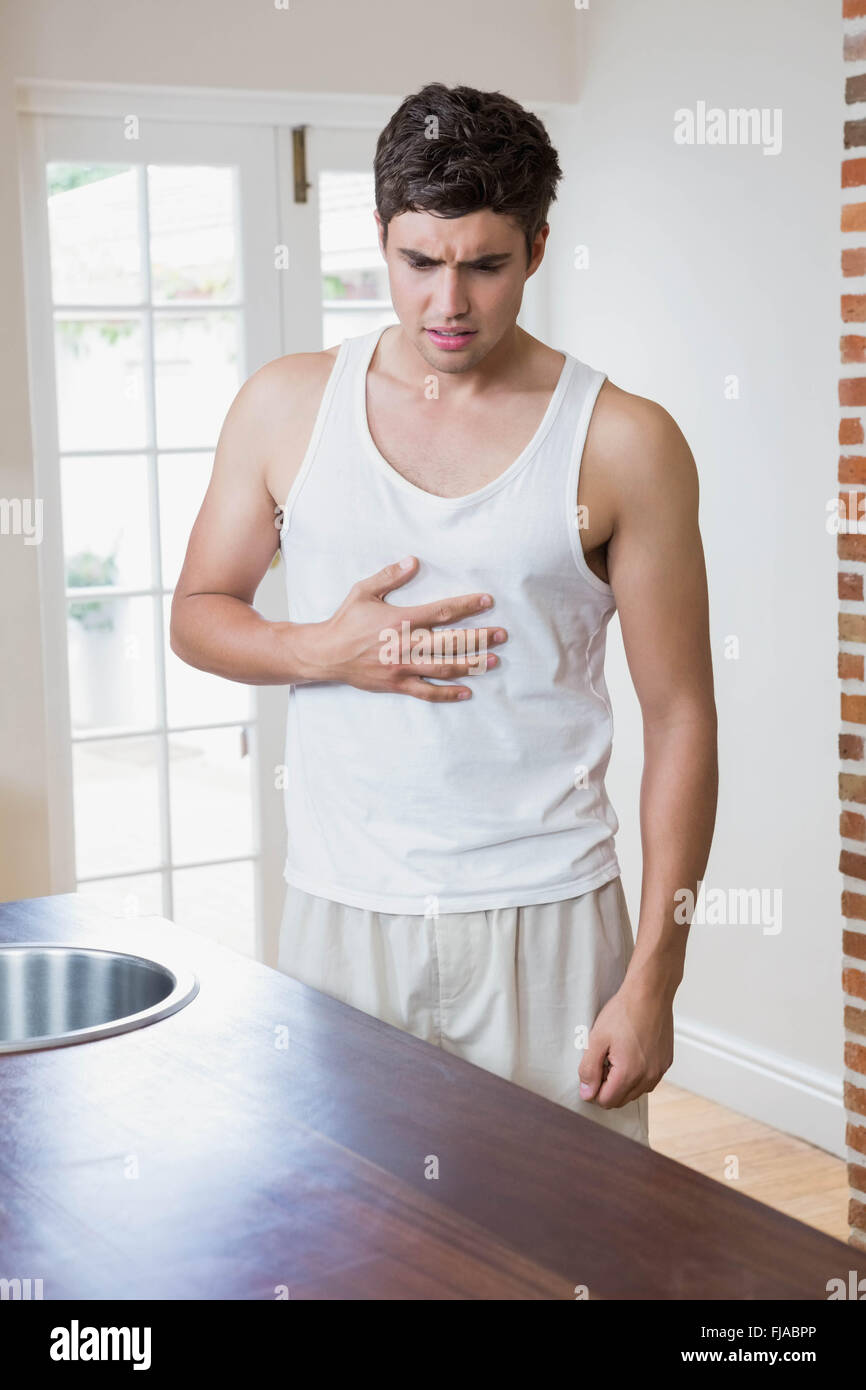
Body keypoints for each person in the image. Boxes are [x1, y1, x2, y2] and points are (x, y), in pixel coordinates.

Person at [170, 82, 718, 1149]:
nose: (448, 304)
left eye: (484, 263)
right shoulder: (284, 406)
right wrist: (323, 647)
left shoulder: (623, 441)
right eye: (419, 261)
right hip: (342, 912)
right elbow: (197, 612)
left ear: (539, 247)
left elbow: (681, 715)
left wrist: (655, 976)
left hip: (549, 917)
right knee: (354, 1251)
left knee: (569, 1256)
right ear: (381, 237)